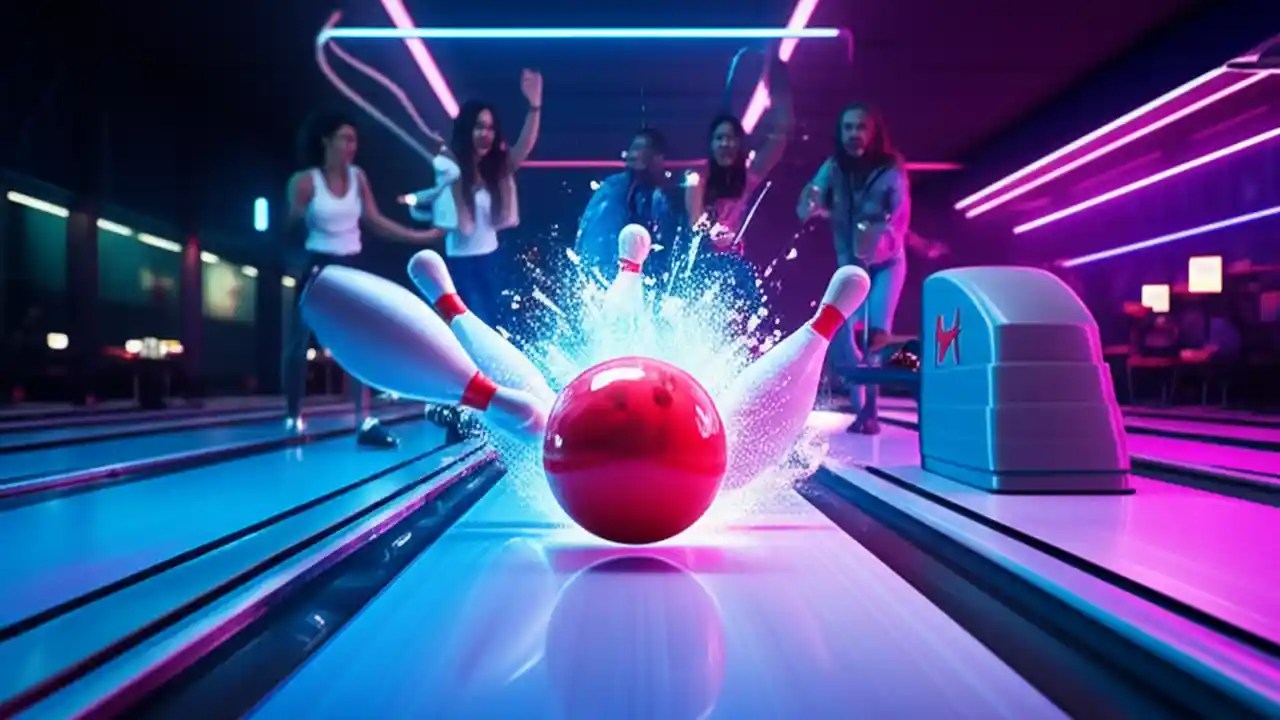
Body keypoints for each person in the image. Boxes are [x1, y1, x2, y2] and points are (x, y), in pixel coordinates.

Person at [282, 110, 442, 448]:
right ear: (327, 141)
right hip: (318, 265)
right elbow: (289, 227)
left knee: (359, 342)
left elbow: (376, 221)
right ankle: (293, 414)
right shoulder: (305, 181)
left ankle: (364, 418)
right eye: (346, 139)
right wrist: (294, 218)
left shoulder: (358, 178)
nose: (352, 146)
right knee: (298, 344)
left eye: (354, 140)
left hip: (350, 265)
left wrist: (420, 237)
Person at [797, 102, 943, 434]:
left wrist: (874, 242)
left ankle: (871, 410)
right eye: (847, 128)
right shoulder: (833, 168)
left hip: (886, 264)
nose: (854, 134)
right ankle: (862, 403)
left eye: (860, 127)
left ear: (873, 132)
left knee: (876, 334)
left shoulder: (891, 169)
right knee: (842, 332)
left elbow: (900, 218)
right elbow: (810, 200)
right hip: (850, 265)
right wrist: (812, 202)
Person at [681, 53, 792, 322]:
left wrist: (779, 83)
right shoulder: (698, 177)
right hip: (703, 265)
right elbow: (696, 221)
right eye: (719, 138)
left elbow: (780, 136)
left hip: (737, 266)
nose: (725, 144)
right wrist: (715, 233)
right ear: (711, 144)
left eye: (731, 138)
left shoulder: (748, 175)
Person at [431, 69, 544, 327]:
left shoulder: (496, 169)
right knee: (469, 325)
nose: (485, 134)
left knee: (497, 325)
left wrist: (534, 107)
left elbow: (524, 146)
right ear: (467, 129)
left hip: (491, 260)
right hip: (460, 262)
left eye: (491, 128)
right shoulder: (450, 167)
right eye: (479, 127)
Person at [575, 127, 685, 281]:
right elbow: (597, 238)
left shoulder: (660, 195)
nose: (633, 155)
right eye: (633, 148)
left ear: (658, 157)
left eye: (641, 148)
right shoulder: (614, 187)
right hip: (608, 268)